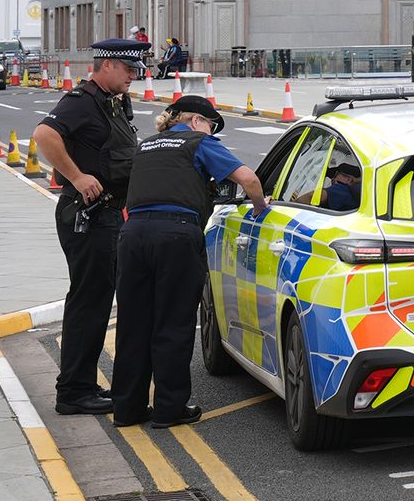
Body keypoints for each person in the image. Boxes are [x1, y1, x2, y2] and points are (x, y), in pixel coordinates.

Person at [112, 95, 266, 429]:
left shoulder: (146, 145)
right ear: (196, 121)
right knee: (173, 323)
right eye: (211, 126)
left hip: (133, 235)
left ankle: (127, 409)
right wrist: (259, 208)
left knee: (133, 325)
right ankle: (169, 409)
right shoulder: (198, 142)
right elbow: (249, 180)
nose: (211, 132)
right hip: (176, 235)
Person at [31, 38, 145, 417]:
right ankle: (74, 392)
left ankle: (81, 384)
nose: (134, 76)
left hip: (107, 215)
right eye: (128, 69)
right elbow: (44, 135)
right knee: (88, 304)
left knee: (95, 303)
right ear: (107, 65)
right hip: (88, 216)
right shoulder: (82, 100)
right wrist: (77, 176)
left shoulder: (112, 101)